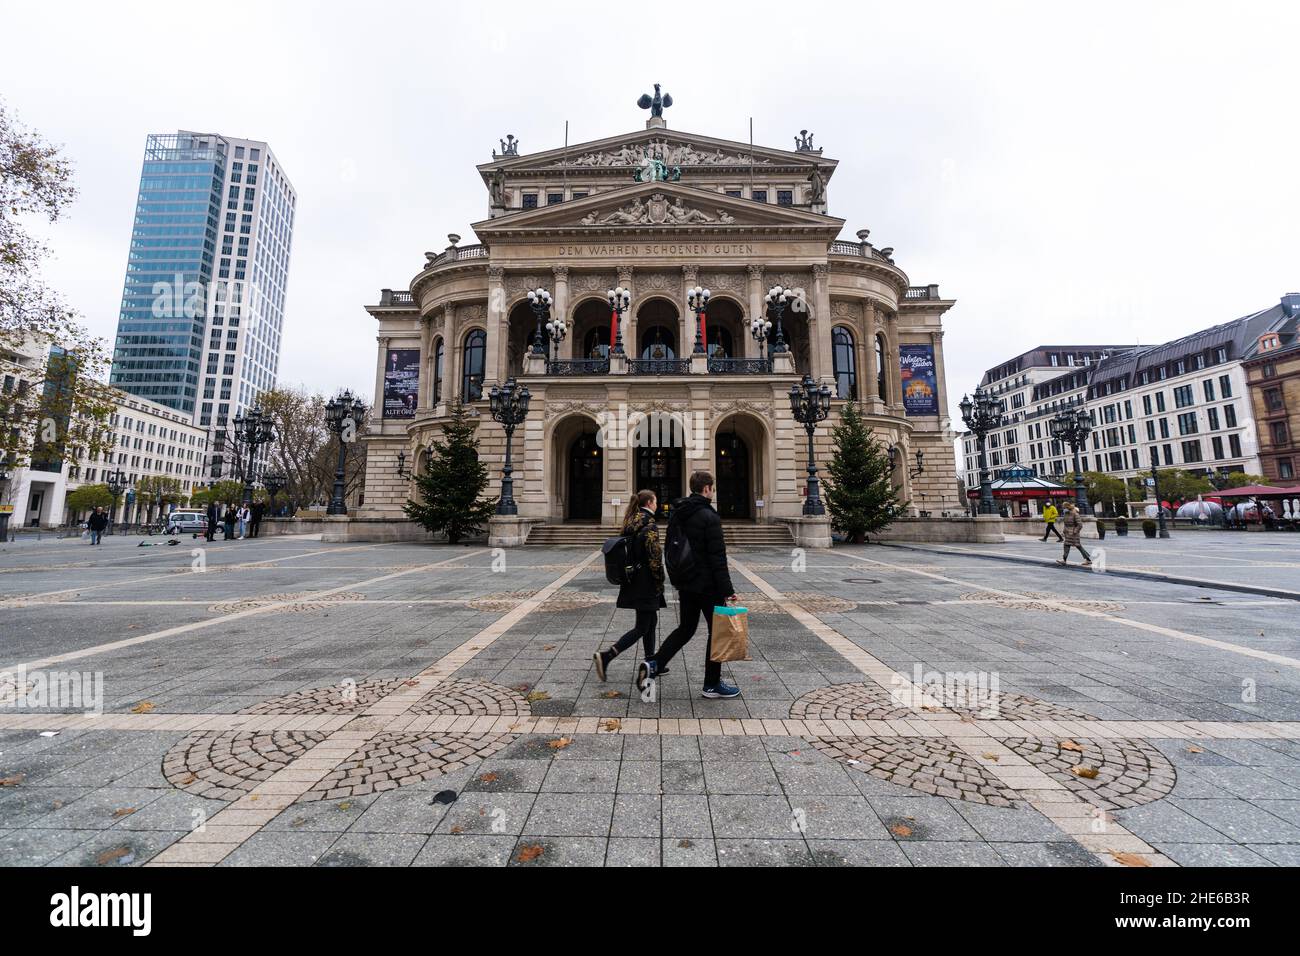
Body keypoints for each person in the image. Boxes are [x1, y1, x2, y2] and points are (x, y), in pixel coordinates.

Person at [637, 470, 740, 699]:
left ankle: (654, 665)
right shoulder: (709, 516)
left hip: (686, 582)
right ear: (706, 489)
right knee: (717, 633)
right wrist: (728, 590)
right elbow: (717, 557)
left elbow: (671, 548)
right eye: (712, 488)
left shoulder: (678, 513)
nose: (713, 492)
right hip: (708, 586)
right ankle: (712, 685)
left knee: (686, 629)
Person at [593, 490, 666, 681]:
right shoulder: (649, 524)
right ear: (650, 502)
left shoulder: (631, 520)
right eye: (656, 501)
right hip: (646, 582)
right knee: (642, 626)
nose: (657, 505)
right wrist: (660, 580)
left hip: (633, 578)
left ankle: (651, 661)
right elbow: (654, 557)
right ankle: (607, 656)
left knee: (650, 621)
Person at [1057, 501, 1092, 567]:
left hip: (1073, 534)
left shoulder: (1075, 514)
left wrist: (1075, 531)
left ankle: (1088, 560)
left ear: (1067, 507)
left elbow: (1080, 525)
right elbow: (1066, 524)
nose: (1063, 509)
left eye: (1064, 507)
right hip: (1068, 533)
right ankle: (1064, 560)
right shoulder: (1066, 514)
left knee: (1076, 546)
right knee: (1068, 545)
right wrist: (1064, 531)